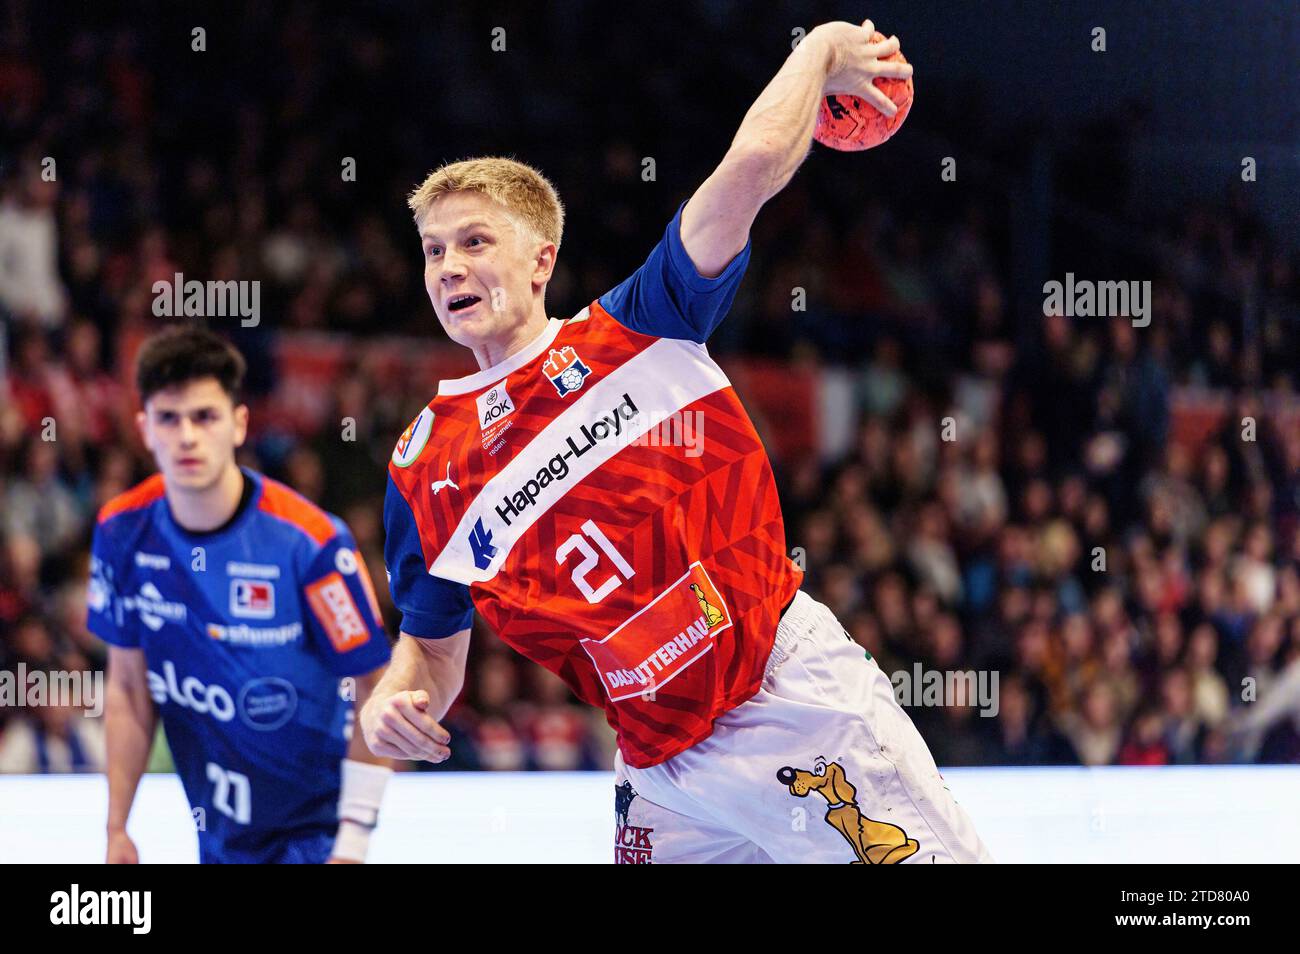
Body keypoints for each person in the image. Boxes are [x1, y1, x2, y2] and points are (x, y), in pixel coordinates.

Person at [365, 19, 991, 863]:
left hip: (788, 696)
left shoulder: (642, 326)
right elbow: (433, 652)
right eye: (434, 250)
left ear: (541, 260)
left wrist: (818, 53)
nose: (448, 267)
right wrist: (394, 704)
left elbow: (750, 171)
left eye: (475, 242)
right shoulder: (422, 468)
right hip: (662, 772)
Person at [88, 326, 394, 864]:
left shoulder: (312, 544)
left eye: (204, 416)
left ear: (239, 424)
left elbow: (374, 687)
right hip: (218, 842)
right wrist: (117, 827)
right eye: (168, 418)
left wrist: (353, 844)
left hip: (316, 840)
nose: (186, 436)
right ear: (144, 430)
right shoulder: (121, 531)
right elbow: (130, 688)